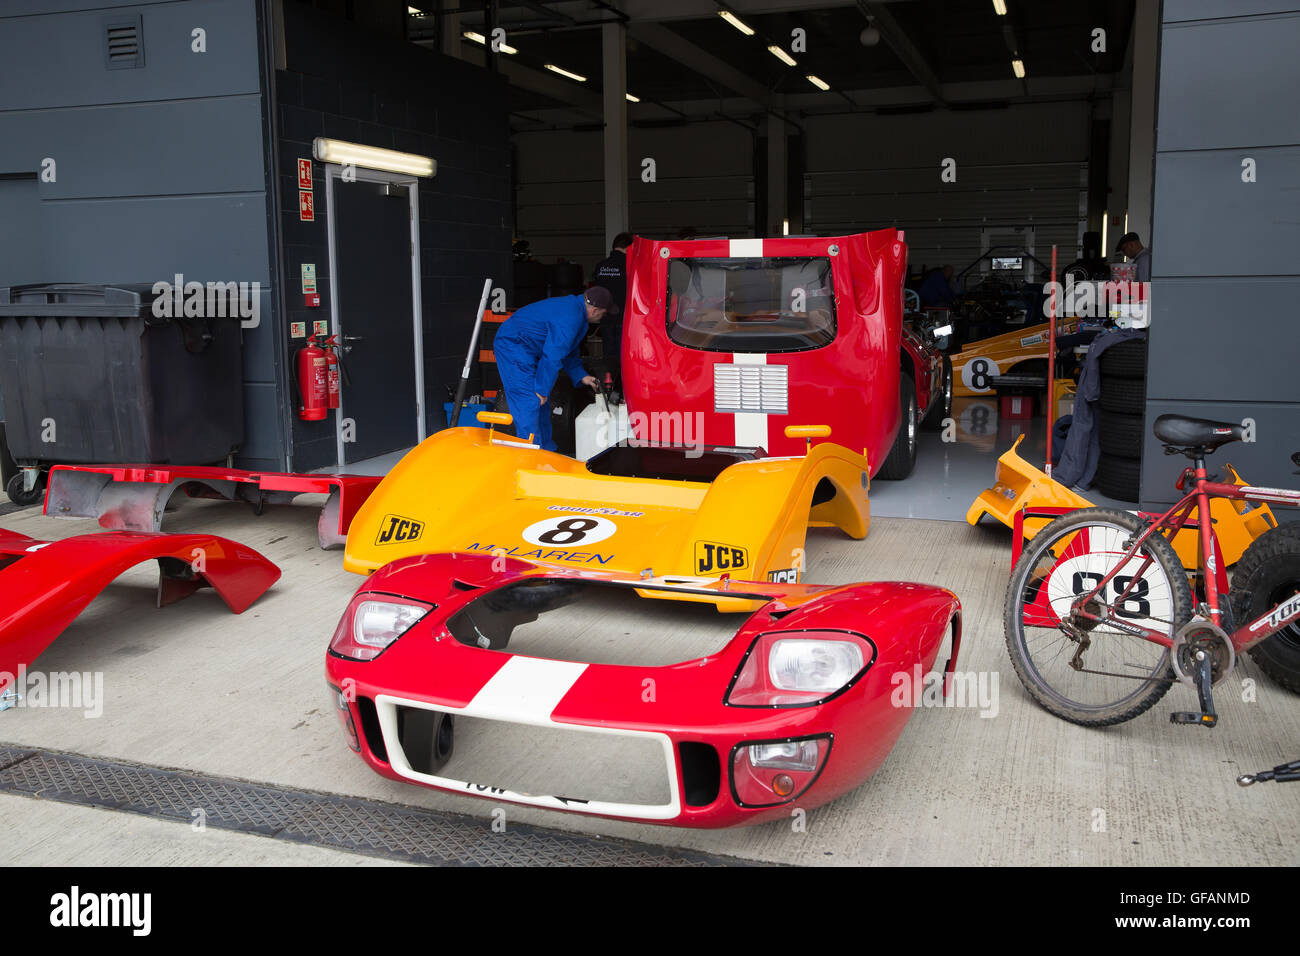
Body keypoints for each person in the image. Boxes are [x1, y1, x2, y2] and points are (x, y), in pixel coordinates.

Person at [492, 286, 609, 451]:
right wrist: (541, 389)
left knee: (541, 404)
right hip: (513, 345)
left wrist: (581, 375)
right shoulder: (571, 317)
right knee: (528, 401)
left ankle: (545, 451)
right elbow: (553, 356)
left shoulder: (579, 317)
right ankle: (530, 454)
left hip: (527, 349)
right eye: (604, 313)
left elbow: (568, 350)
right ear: (595, 310)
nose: (603, 317)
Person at [590, 232, 633, 389]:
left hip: (605, 318)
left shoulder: (601, 266)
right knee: (624, 357)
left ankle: (609, 387)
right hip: (625, 319)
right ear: (629, 247)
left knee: (608, 356)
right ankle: (623, 389)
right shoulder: (630, 264)